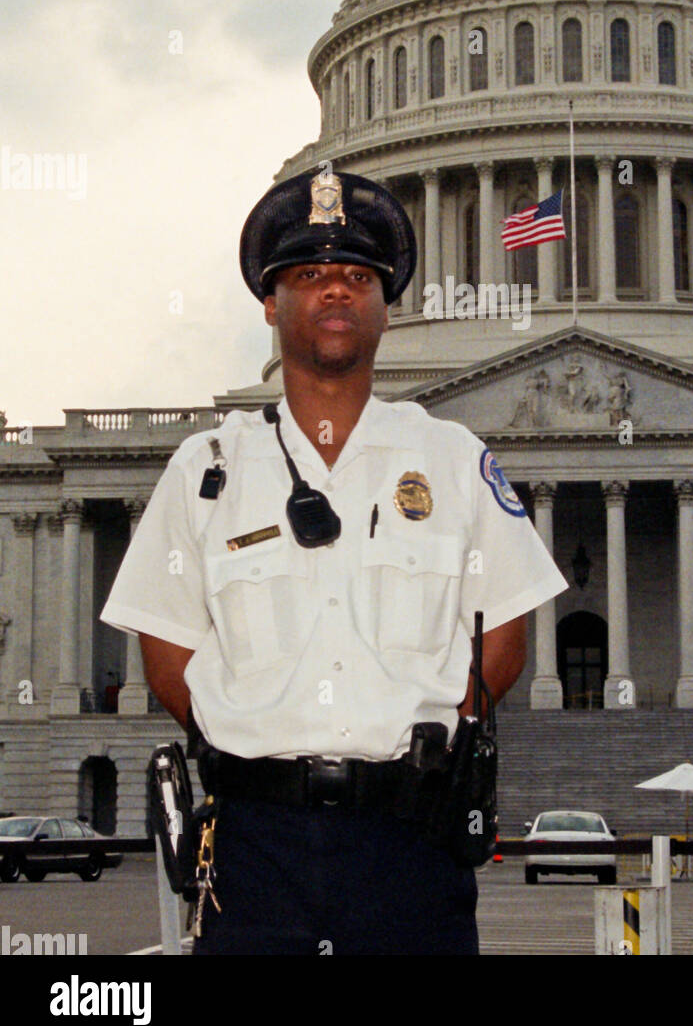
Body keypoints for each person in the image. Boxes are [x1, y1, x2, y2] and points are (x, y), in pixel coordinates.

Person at [101, 167, 567, 955]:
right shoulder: (207, 467)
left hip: (410, 842)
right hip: (253, 846)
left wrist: (431, 750)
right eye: (310, 275)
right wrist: (247, 740)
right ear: (269, 303)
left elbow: (507, 642)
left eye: (358, 276)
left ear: (388, 307)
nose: (336, 292)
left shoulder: (452, 460)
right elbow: (166, 651)